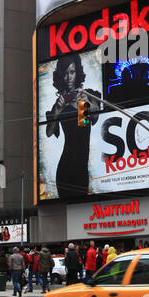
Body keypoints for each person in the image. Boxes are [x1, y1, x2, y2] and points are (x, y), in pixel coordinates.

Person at [45, 53, 101, 198]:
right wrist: (57, 111)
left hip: (81, 169)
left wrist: (84, 103)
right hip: (66, 168)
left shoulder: (87, 95)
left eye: (72, 72)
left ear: (78, 73)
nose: (69, 77)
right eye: (65, 73)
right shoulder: (58, 105)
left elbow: (92, 119)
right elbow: (49, 132)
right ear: (60, 76)